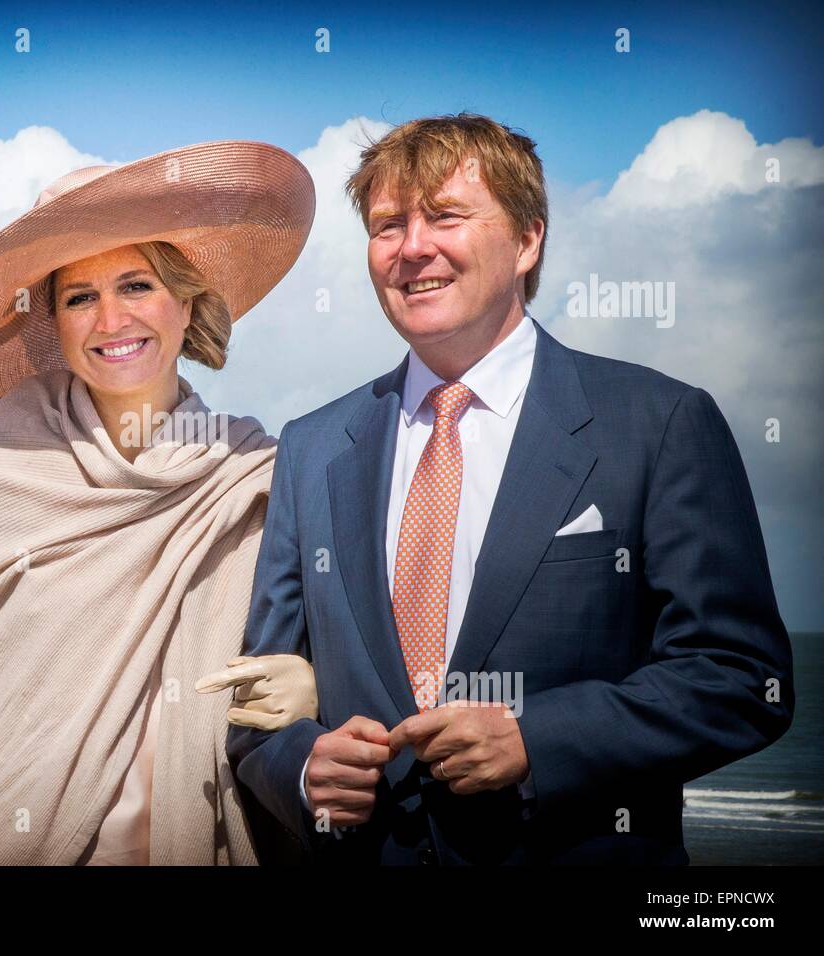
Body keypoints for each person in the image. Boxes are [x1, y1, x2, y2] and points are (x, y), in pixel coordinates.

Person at [227, 113, 795, 864]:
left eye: (446, 216)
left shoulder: (658, 422)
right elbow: (253, 707)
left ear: (528, 239)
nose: (413, 247)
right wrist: (302, 769)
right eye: (387, 224)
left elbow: (742, 677)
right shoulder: (312, 446)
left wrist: (537, 738)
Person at [0, 141, 318, 865]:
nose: (110, 319)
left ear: (186, 302)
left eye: (136, 285)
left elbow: (323, 644)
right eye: (80, 297)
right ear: (53, 323)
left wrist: (312, 687)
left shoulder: (259, 475)